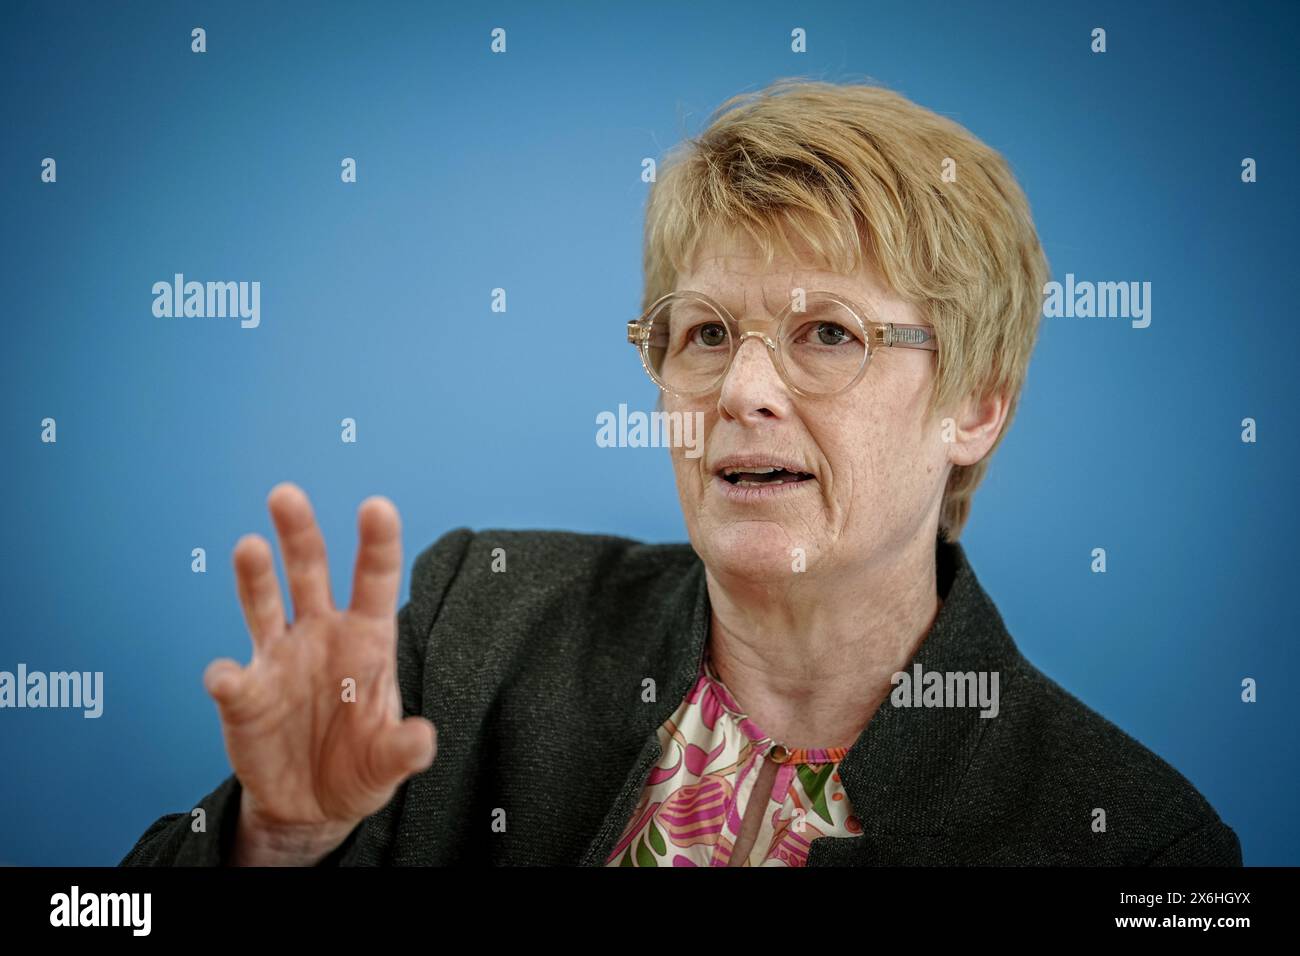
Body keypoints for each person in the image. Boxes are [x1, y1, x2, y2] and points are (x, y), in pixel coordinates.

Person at [121, 78, 1241, 867]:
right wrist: (274, 843)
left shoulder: (1135, 836)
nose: (743, 390)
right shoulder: (475, 627)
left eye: (830, 334)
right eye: (703, 332)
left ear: (976, 404)